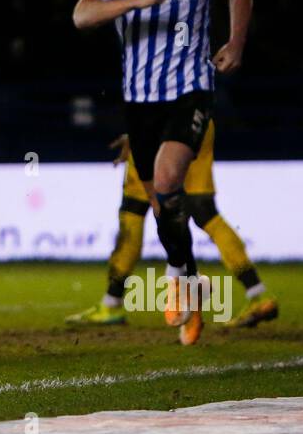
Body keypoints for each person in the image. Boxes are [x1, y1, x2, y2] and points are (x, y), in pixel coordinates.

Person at [73, 0, 252, 345]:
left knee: (171, 181)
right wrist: (136, 1)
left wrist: (236, 41)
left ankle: (178, 276)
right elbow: (82, 15)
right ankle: (187, 280)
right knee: (161, 205)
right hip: (139, 99)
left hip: (192, 90)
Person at [65, 126, 278, 328]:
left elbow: (144, 98)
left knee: (134, 210)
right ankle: (256, 292)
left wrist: (135, 131)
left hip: (156, 129)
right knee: (205, 212)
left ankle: (113, 302)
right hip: (198, 121)